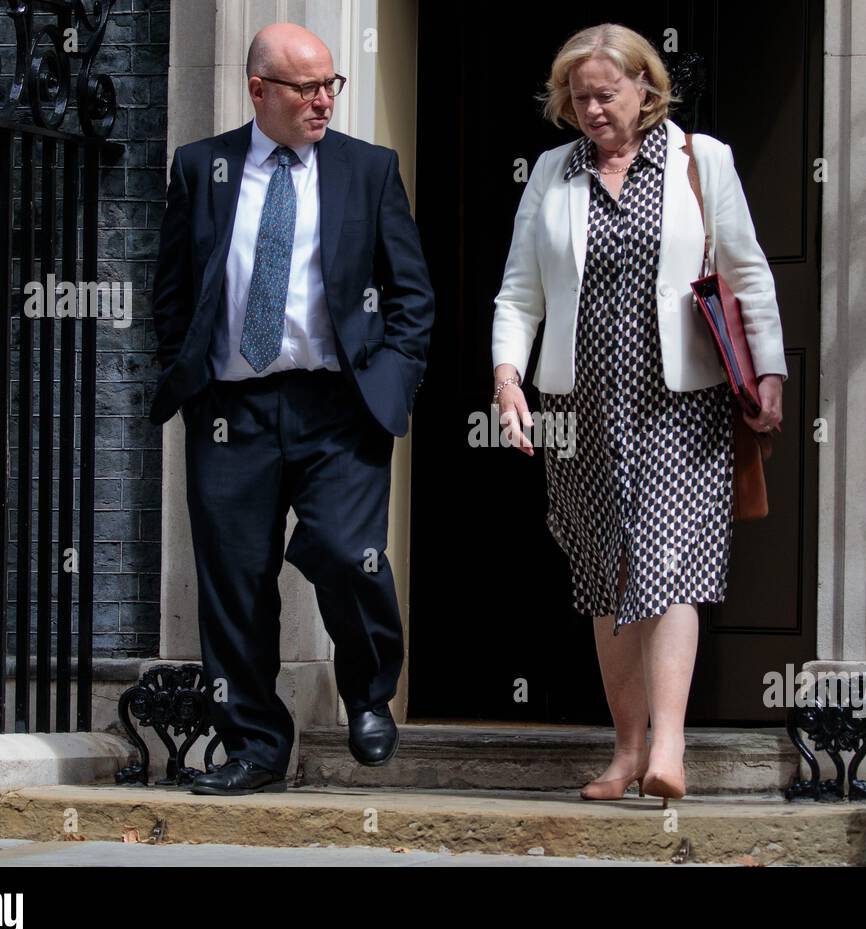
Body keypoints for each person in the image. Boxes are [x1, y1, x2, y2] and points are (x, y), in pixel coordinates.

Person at [491, 23, 786, 807]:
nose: (591, 109)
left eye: (605, 94)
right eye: (579, 97)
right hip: (578, 403)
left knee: (669, 564)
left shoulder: (701, 161)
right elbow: (520, 289)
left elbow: (747, 273)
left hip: (678, 404)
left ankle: (669, 745)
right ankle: (625, 752)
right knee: (604, 571)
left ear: (645, 89)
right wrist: (507, 377)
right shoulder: (553, 173)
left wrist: (772, 374)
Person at [149, 22, 434, 795]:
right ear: (257, 91)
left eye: (330, 85)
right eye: (305, 87)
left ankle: (368, 692)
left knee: (346, 552)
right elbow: (172, 289)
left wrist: (393, 383)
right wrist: (187, 373)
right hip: (229, 412)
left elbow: (411, 295)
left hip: (340, 407)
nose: (322, 101)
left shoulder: (369, 170)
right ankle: (254, 747)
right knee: (234, 583)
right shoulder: (201, 166)